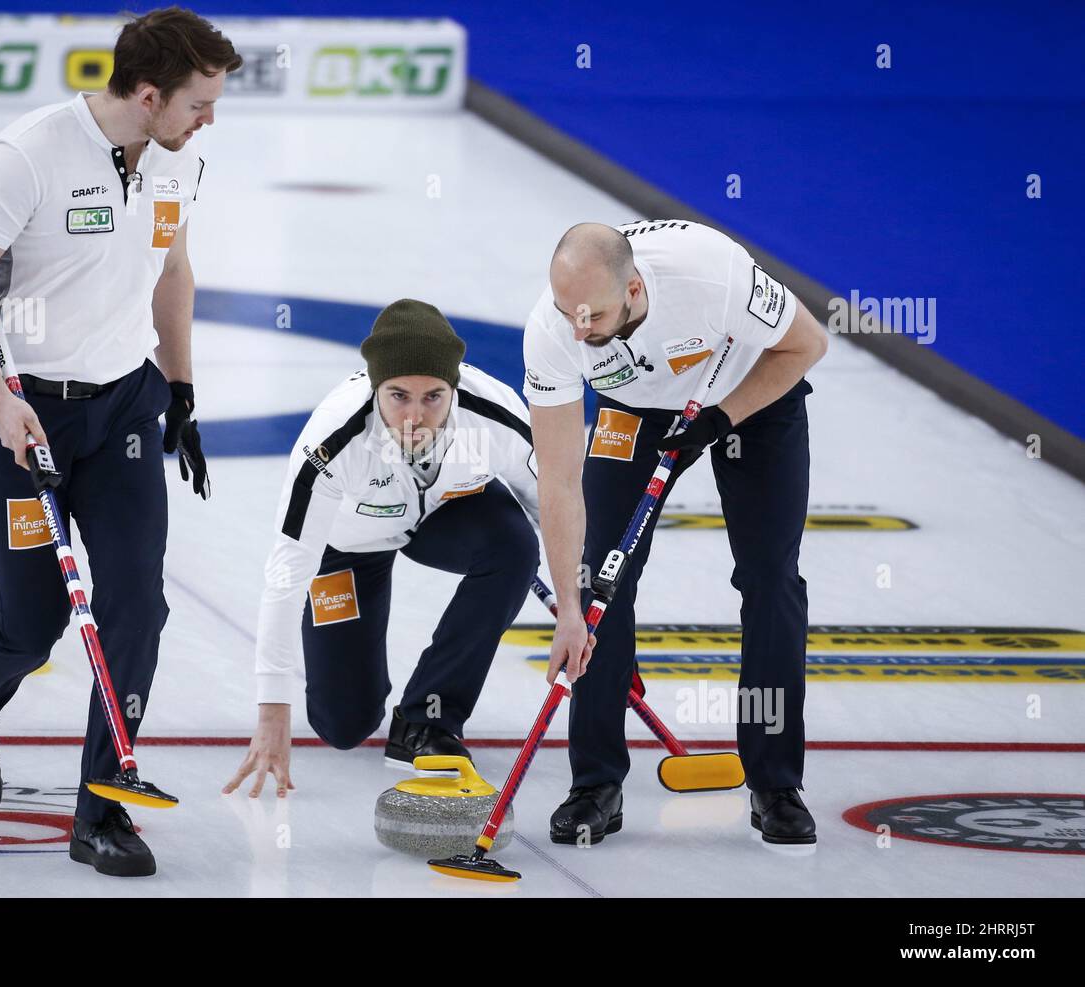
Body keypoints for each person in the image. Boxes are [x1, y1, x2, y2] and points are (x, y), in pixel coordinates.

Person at [0, 7, 241, 877]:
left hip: (124, 411)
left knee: (137, 604)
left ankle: (104, 808)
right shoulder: (27, 156)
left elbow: (170, 270)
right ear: (147, 95)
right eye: (198, 104)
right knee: (35, 619)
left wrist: (179, 393)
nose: (210, 121)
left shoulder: (183, 158)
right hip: (19, 416)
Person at [524, 220, 828, 846]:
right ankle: (595, 784)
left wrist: (721, 418)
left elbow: (806, 346)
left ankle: (775, 782)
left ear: (634, 289)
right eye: (567, 314)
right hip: (634, 408)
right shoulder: (554, 331)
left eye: (594, 315)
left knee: (769, 578)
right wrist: (569, 610)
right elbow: (557, 482)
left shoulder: (710, 276)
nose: (579, 332)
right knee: (603, 579)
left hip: (750, 392)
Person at [224, 299, 541, 797]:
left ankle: (428, 719)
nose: (415, 417)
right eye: (399, 396)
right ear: (375, 389)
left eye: (434, 397)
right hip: (350, 545)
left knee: (516, 549)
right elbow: (287, 574)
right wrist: (271, 710)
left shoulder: (493, 415)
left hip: (447, 514)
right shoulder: (333, 439)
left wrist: (581, 605)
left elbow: (559, 508)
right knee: (344, 724)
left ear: (454, 388)